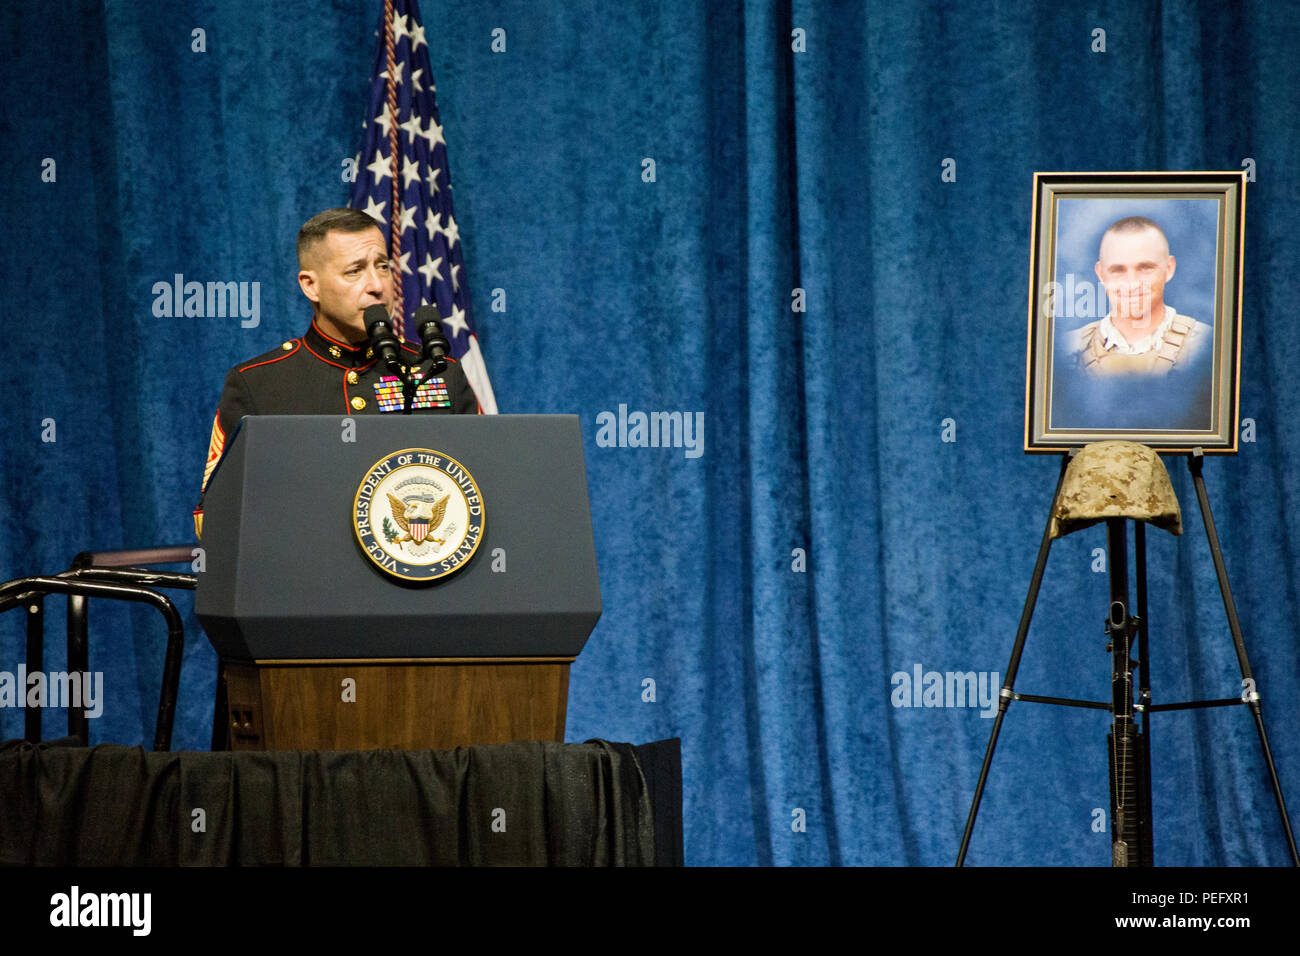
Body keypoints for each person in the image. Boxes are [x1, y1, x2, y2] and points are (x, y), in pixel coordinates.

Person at [193, 207, 478, 536]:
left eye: (382, 266)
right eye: (355, 271)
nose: (376, 285)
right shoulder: (259, 383)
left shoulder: (439, 370)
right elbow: (216, 517)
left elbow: (480, 488)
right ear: (310, 285)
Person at [1064, 216, 1213, 375]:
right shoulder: (1067, 348)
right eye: (1118, 270)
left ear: (1169, 268)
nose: (1132, 283)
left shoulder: (1207, 346)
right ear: (1101, 274)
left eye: (1145, 268)